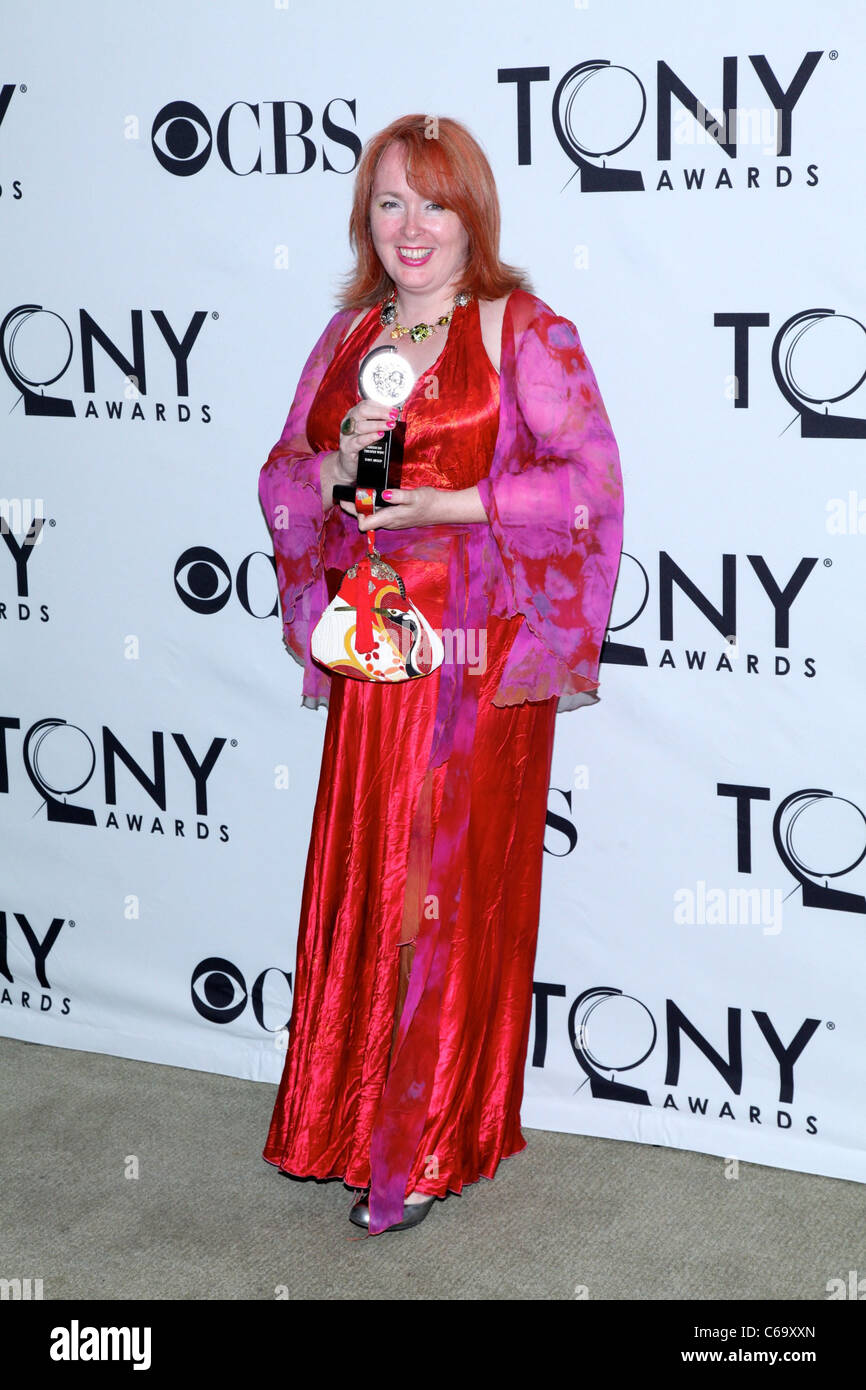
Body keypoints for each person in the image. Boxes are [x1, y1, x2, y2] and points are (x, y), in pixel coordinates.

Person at [258, 113, 623, 1236]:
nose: (410, 227)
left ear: (474, 213)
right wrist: (333, 467)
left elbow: (589, 487)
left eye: (433, 201)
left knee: (444, 889)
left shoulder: (524, 327)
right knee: (368, 875)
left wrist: (456, 503)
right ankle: (342, 1118)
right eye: (387, 203)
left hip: (478, 656)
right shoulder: (345, 337)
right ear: (364, 219)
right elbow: (282, 478)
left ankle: (422, 1137)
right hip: (378, 654)